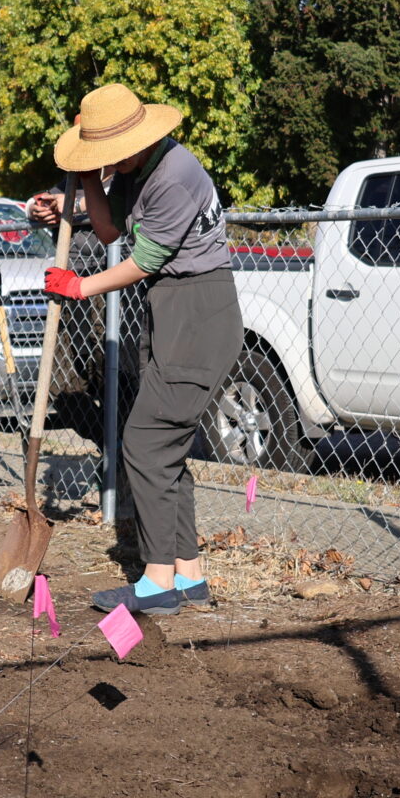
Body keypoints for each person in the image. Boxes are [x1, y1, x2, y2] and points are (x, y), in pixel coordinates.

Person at [26, 83, 242, 616]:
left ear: (135, 140)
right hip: (172, 311)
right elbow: (106, 232)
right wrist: (78, 184)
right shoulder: (135, 170)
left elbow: (142, 261)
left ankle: (158, 581)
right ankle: (188, 576)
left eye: (105, 155)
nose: (105, 163)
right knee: (165, 449)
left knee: (144, 443)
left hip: (200, 311)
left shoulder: (175, 174)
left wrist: (79, 287)